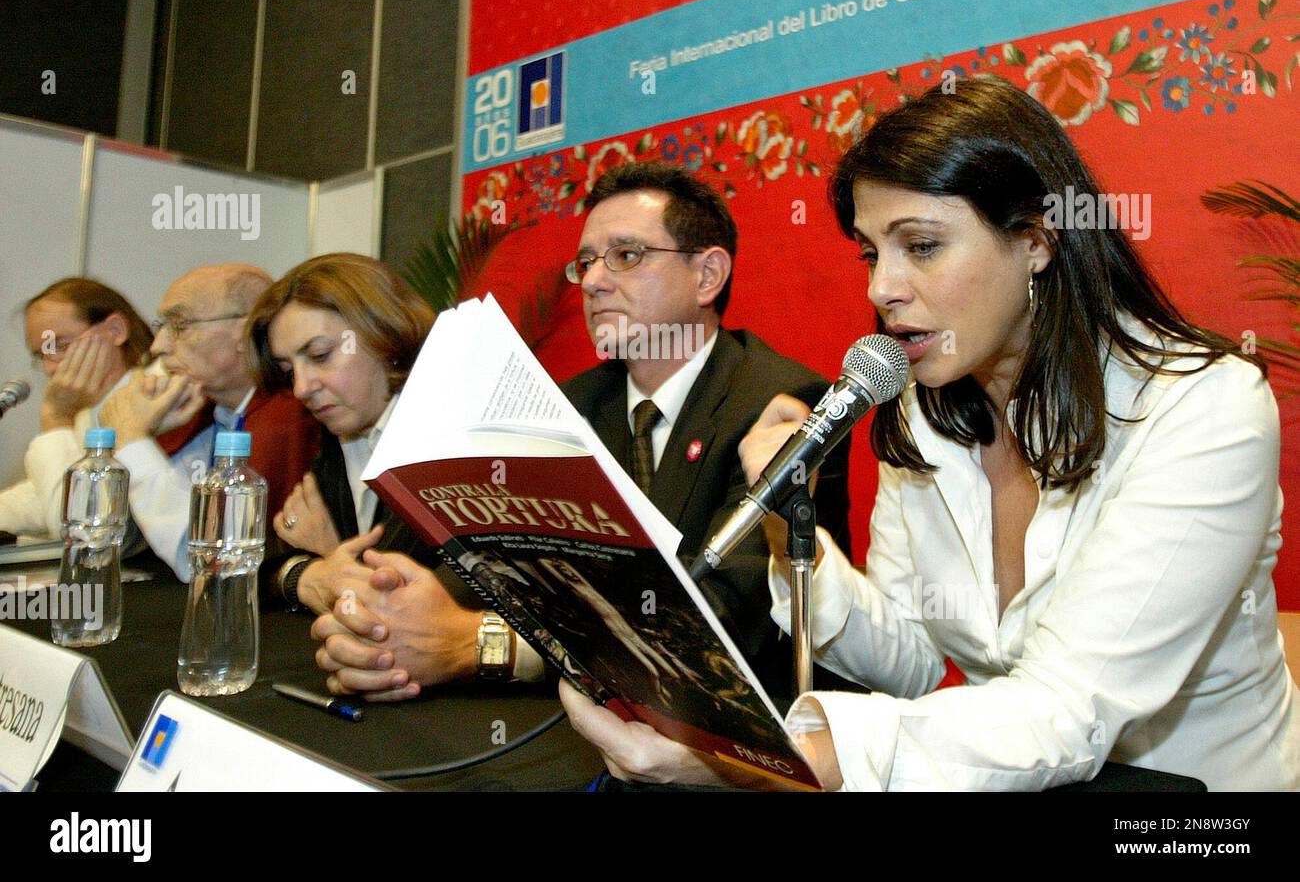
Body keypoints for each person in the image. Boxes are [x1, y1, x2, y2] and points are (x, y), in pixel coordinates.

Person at [560, 79, 1300, 792]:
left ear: (1038, 238)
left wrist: (765, 760)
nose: (882, 287)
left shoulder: (1204, 408)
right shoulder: (924, 411)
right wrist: (794, 537)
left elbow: (1067, 710)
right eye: (871, 252)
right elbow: (912, 658)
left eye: (921, 245)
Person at [308, 162, 853, 703]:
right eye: (587, 261)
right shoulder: (568, 404)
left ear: (707, 276)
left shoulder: (785, 405)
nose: (592, 281)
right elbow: (507, 562)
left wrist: (479, 645)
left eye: (626, 256)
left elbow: (724, 619)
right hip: (587, 716)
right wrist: (392, 619)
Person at [247, 254, 479, 624]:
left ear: (384, 334)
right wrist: (308, 576)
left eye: (321, 355)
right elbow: (254, 570)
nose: (302, 388)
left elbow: (414, 606)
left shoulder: (458, 439)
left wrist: (329, 554)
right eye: (289, 370)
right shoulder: (336, 431)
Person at [96, 263, 318, 580]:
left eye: (179, 324)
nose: (158, 345)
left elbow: (217, 559)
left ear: (249, 328)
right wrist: (145, 436)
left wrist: (132, 441)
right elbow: (115, 540)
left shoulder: (293, 417)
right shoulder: (197, 414)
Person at [0, 278, 153, 537]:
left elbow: (80, 527)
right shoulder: (87, 412)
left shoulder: (157, 403)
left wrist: (55, 416)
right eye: (41, 355)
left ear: (116, 330)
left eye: (61, 346)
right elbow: (42, 497)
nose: (50, 368)